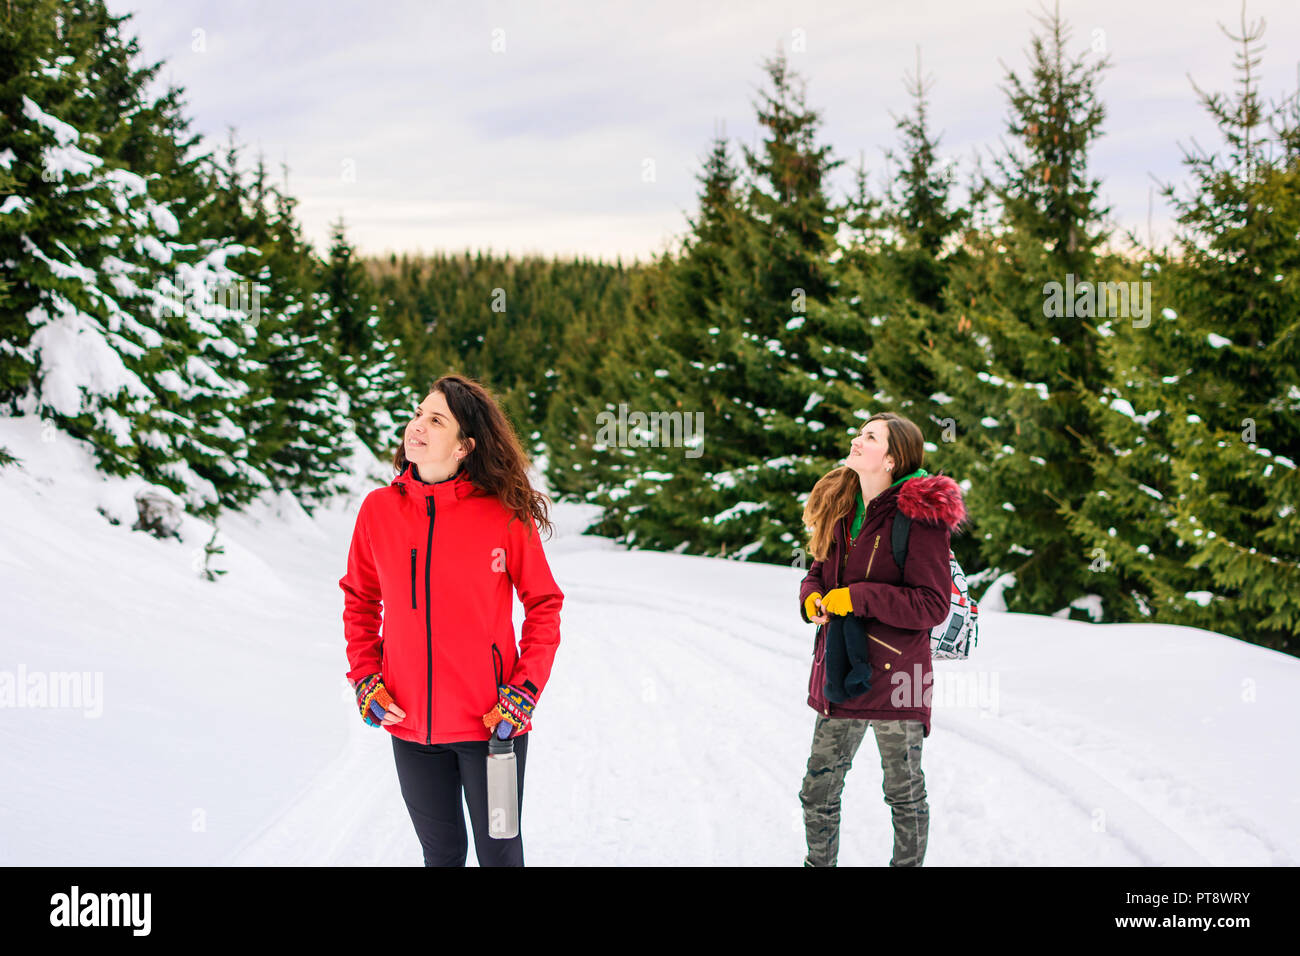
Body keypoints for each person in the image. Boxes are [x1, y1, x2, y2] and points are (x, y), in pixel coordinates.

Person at [339, 373, 564, 866]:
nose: (416, 425)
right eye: (418, 413)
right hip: (411, 728)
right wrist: (365, 679)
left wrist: (523, 691)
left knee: (500, 852)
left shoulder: (504, 514)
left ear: (465, 445)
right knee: (440, 854)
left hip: (495, 730)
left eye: (435, 419)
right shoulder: (379, 510)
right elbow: (360, 600)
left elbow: (544, 604)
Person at [796, 412, 968, 867]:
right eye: (859, 432)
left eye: (869, 436)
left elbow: (931, 605)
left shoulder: (920, 518)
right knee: (817, 791)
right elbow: (818, 571)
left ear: (891, 459)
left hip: (898, 679)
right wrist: (813, 597)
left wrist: (856, 598)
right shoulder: (842, 501)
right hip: (840, 670)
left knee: (904, 795)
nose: (856, 440)